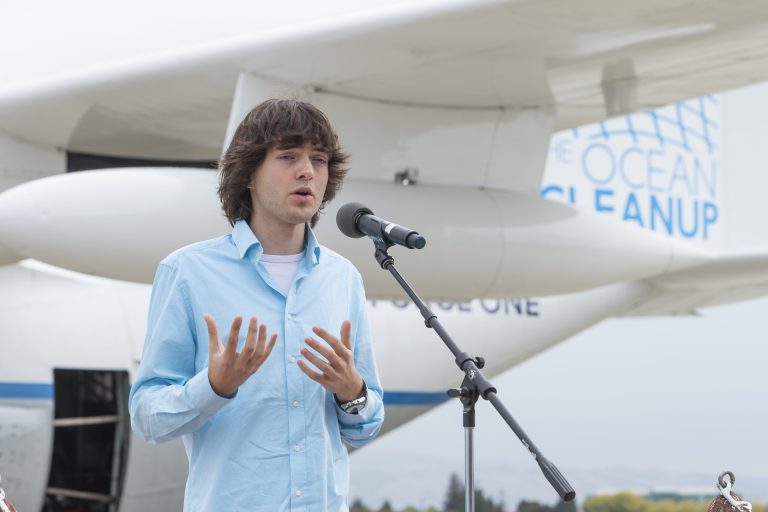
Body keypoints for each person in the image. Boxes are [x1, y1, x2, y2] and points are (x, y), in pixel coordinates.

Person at [129, 98, 384, 511]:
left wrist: (351, 392)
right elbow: (147, 417)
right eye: (288, 156)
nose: (306, 171)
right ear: (248, 172)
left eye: (318, 160)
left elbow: (364, 427)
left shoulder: (343, 279)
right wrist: (213, 386)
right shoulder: (187, 272)